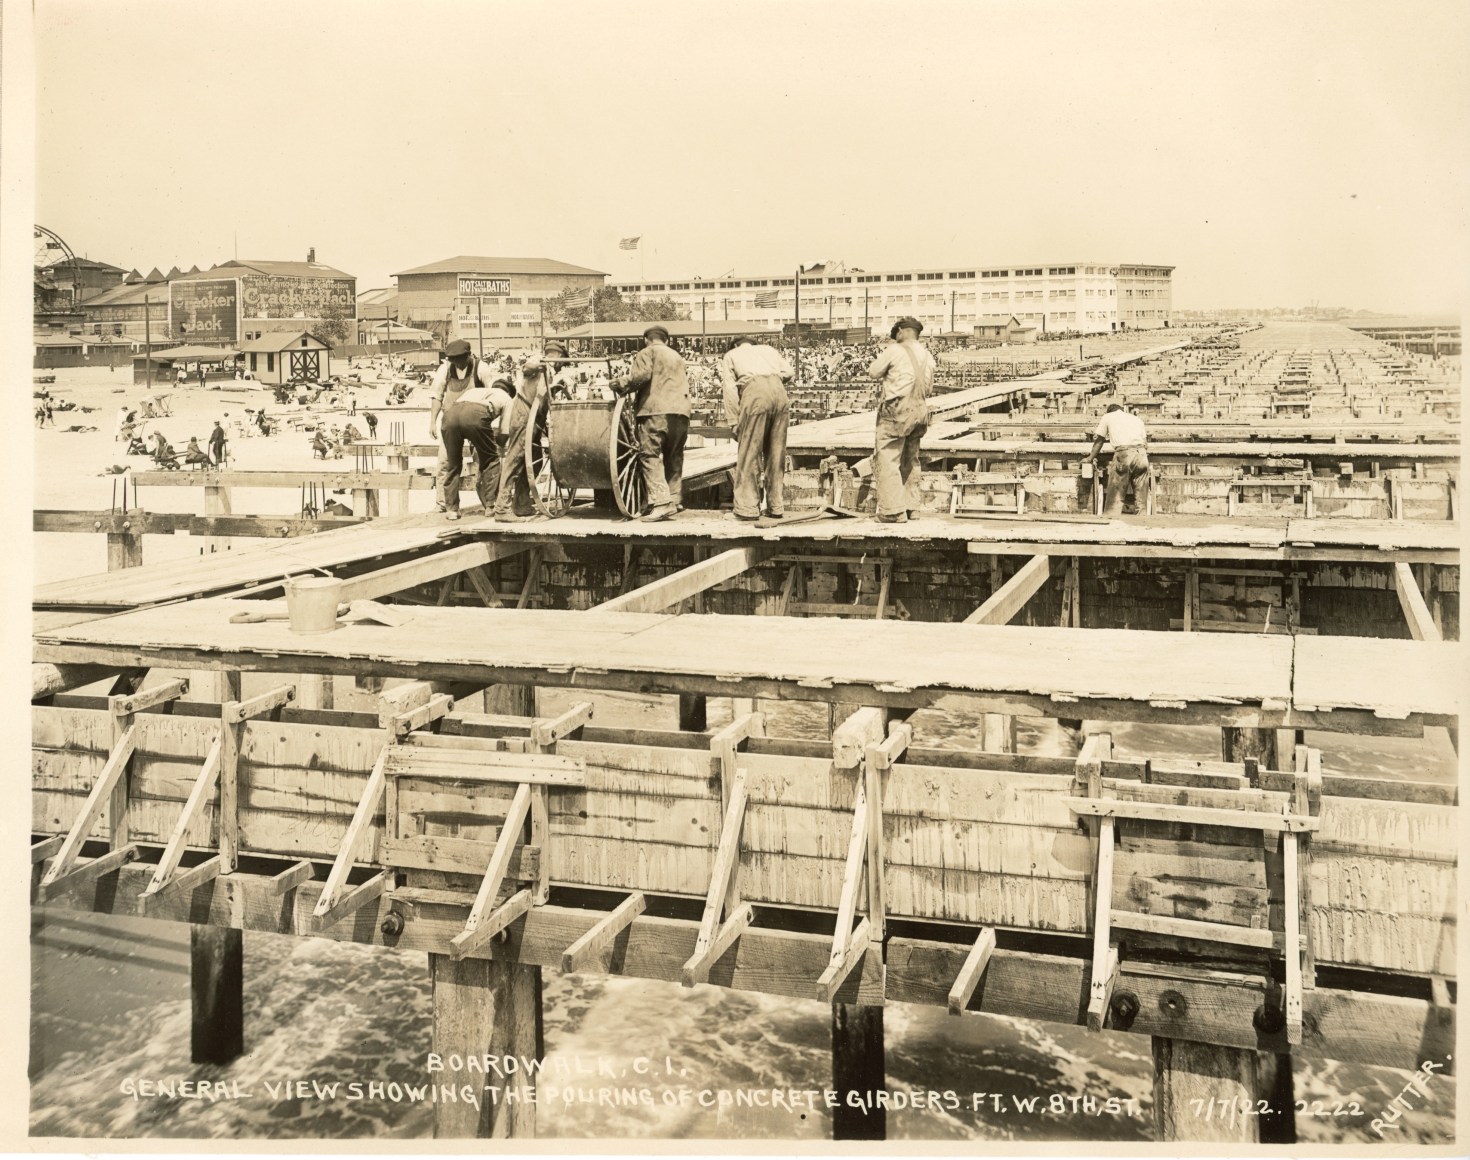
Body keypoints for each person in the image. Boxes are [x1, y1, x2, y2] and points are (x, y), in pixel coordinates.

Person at [611, 326, 691, 522]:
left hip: (656, 410)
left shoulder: (647, 352)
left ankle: (662, 503)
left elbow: (641, 376)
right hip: (681, 411)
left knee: (649, 454)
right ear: (667, 340)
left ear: (646, 339)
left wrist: (620, 383)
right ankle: (674, 499)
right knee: (674, 455)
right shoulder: (676, 356)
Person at [866, 316, 936, 523]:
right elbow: (930, 387)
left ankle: (892, 512)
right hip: (920, 411)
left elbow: (873, 372)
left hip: (897, 410)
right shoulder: (927, 355)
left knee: (887, 458)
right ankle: (912, 508)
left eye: (896, 332)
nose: (895, 336)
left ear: (903, 331)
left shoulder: (894, 350)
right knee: (910, 458)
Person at [719, 336, 794, 521]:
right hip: (779, 392)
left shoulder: (731, 355)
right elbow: (789, 372)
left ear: (736, 345)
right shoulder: (768, 350)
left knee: (749, 453)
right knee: (776, 453)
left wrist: (733, 420)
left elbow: (729, 389)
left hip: (755, 391)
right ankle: (776, 506)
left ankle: (747, 509)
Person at [428, 339, 501, 512]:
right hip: (452, 422)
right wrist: (432, 422)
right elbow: (437, 396)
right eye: (454, 359)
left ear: (469, 355)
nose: (458, 363)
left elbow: (494, 394)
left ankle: (489, 503)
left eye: (461, 358)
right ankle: (442, 504)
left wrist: (491, 424)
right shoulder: (444, 370)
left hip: (476, 422)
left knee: (484, 461)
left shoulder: (481, 368)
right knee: (445, 463)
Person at [490, 357, 547, 521]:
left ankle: (521, 503)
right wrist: (538, 364)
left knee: (534, 461)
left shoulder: (552, 375)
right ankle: (502, 508)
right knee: (514, 460)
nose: (558, 362)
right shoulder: (539, 367)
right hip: (523, 414)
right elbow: (526, 367)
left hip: (536, 420)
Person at [1085, 403, 1151, 516]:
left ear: (1109, 411)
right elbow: (1145, 443)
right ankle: (1142, 524)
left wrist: (1090, 458)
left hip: (1124, 453)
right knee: (1141, 498)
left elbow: (1099, 440)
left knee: (1115, 497)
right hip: (1141, 455)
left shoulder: (1107, 417)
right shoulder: (1136, 419)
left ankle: (1112, 525)